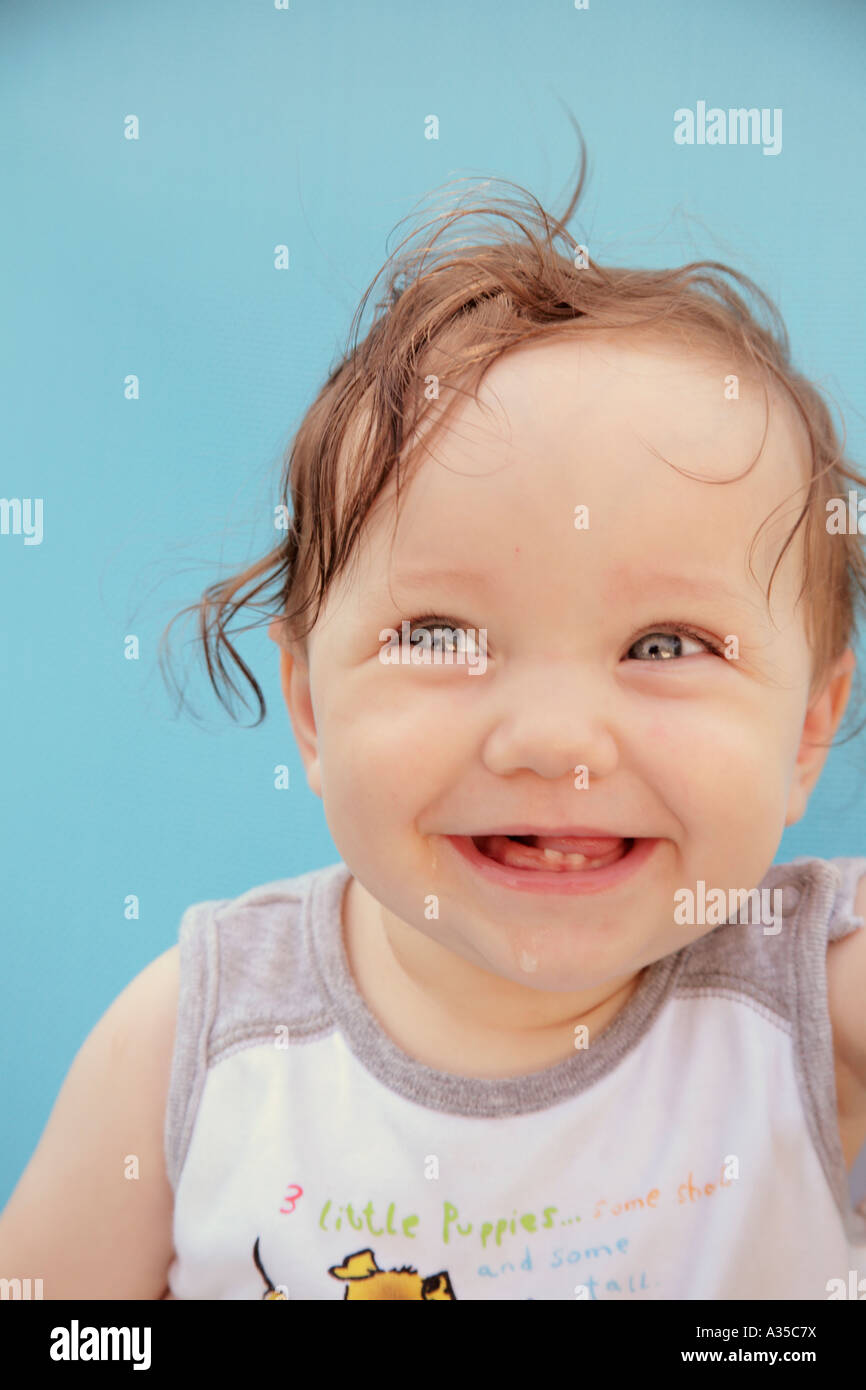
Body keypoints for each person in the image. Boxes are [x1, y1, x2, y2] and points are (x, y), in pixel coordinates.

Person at [3, 144, 866, 1300]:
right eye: (441, 636)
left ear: (807, 730)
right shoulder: (205, 1037)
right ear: (310, 709)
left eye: (664, 646)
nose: (553, 742)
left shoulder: (803, 993)